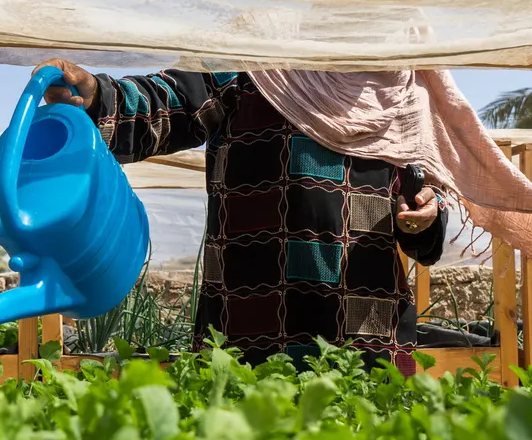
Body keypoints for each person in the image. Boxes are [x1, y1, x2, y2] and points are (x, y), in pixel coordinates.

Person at [34, 60, 449, 374]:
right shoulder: (253, 68)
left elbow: (423, 204)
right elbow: (169, 102)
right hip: (253, 328)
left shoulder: (402, 94)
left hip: (367, 336)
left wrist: (426, 216)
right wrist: (98, 97)